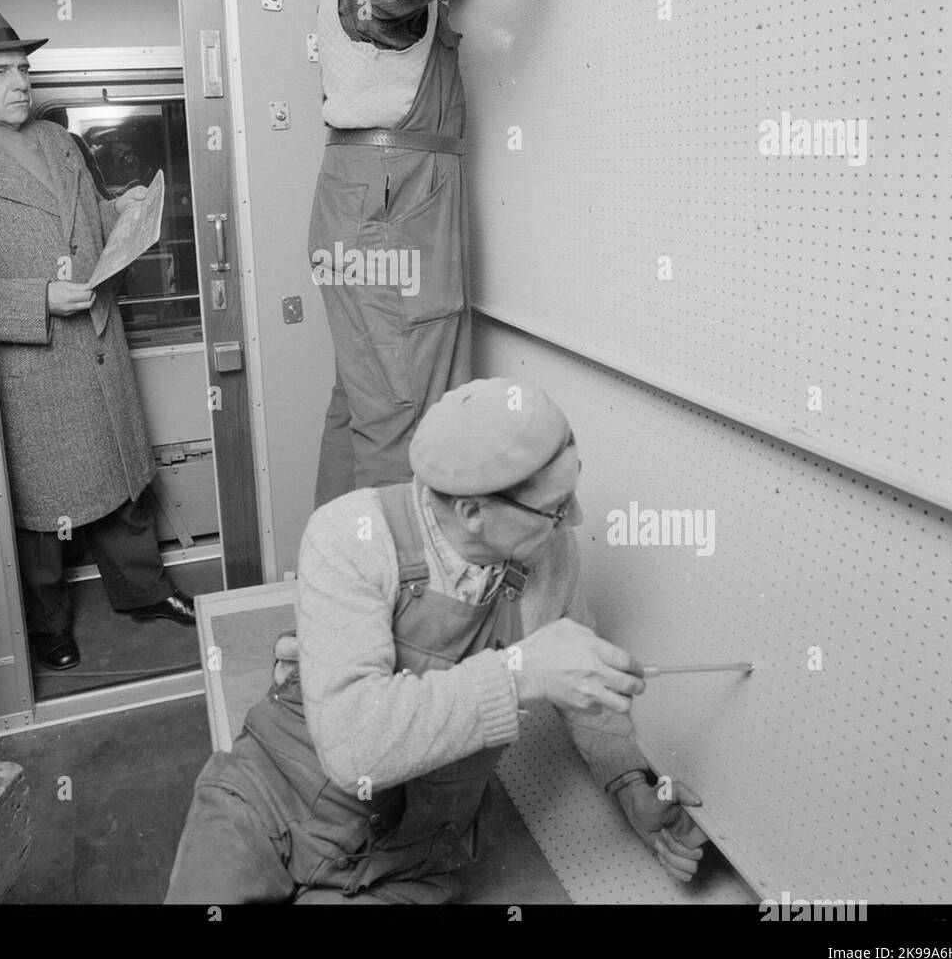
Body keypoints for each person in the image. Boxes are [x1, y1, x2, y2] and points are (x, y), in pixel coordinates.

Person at [164, 377, 705, 904]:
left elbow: (585, 677)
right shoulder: (351, 534)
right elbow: (354, 750)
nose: (576, 519)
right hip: (268, 799)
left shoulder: (551, 555)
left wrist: (630, 783)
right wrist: (518, 673)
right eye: (557, 507)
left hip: (411, 858)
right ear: (472, 512)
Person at [309, 0, 619, 505]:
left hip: (365, 200)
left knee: (362, 408)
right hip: (395, 205)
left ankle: (332, 579)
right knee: (408, 420)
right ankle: (405, 602)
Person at [0, 5, 195, 672]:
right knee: (42, 507)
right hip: (34, 360)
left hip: (94, 333)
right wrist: (36, 298)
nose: (19, 83)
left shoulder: (61, 141)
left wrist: (123, 208)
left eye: (23, 69)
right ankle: (48, 626)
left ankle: (144, 591)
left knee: (120, 478)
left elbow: (86, 215)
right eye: (0, 71)